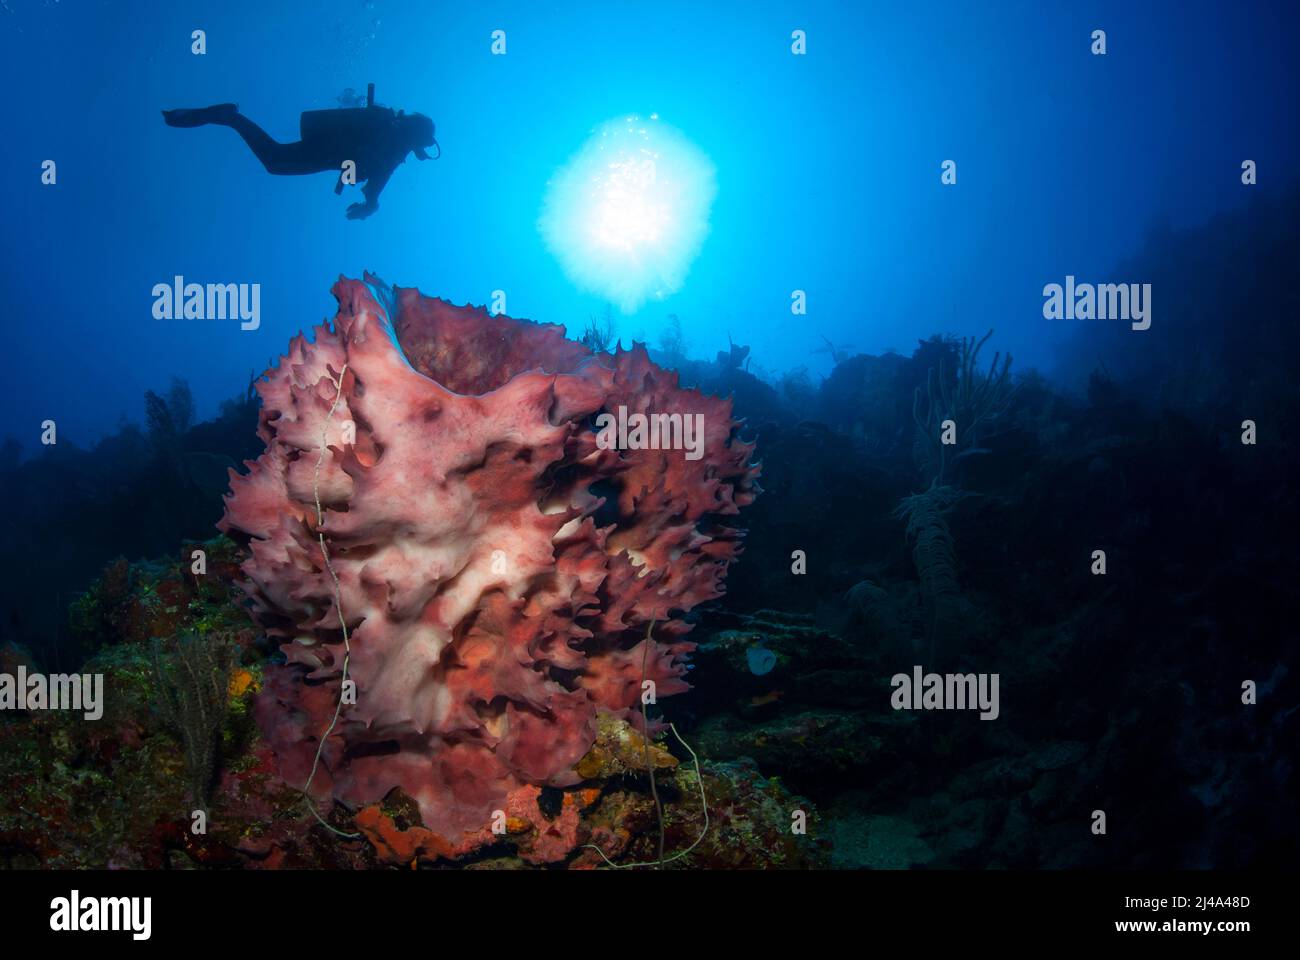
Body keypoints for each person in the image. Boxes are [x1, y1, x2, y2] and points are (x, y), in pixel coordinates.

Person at [162, 86, 437, 220]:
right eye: (421, 145)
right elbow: (376, 185)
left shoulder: (388, 126)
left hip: (331, 142)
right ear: (418, 137)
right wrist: (370, 206)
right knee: (275, 161)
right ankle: (232, 118)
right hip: (333, 150)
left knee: (275, 159)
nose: (418, 151)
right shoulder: (395, 145)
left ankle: (230, 118)